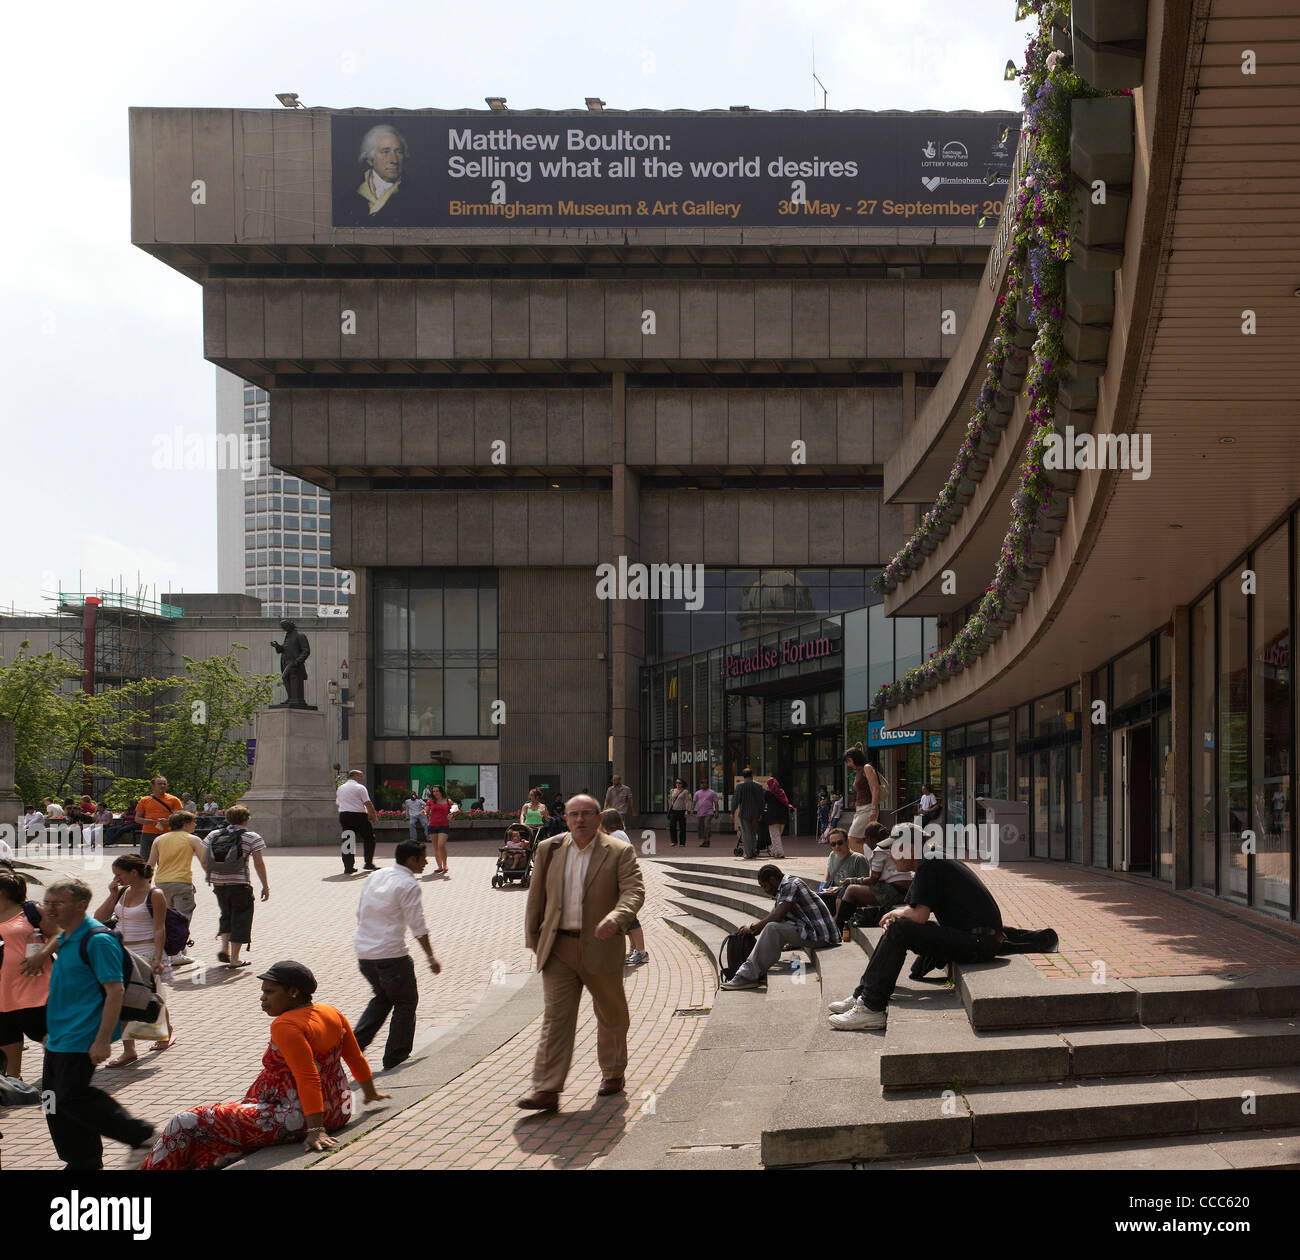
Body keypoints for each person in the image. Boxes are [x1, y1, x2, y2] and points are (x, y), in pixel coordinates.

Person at [140, 961, 389, 1169]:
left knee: (184, 1120)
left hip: (298, 1116)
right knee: (222, 1124)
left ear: (293, 993)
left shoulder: (286, 1025)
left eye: (270, 992)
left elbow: (308, 1077)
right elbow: (355, 1057)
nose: (263, 998)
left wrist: (316, 1129)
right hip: (338, 1109)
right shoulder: (330, 1011)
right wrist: (369, 1092)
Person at [516, 795, 645, 1112]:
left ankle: (613, 1072)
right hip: (559, 948)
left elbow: (634, 889)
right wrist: (534, 938)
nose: (580, 820)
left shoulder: (618, 851)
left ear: (599, 818)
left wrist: (617, 917)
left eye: (587, 814)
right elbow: (537, 897)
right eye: (574, 814)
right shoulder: (550, 848)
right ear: (567, 818)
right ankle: (547, 1089)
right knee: (556, 1018)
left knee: (611, 1014)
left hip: (601, 946)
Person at [828, 825, 1004, 1031]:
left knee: (899, 928)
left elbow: (918, 915)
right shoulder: (931, 860)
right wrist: (899, 914)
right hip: (977, 939)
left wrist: (896, 913)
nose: (891, 856)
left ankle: (871, 1008)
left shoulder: (930, 863)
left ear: (910, 848)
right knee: (898, 926)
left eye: (894, 849)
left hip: (979, 942)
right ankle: (862, 994)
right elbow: (915, 910)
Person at [36, 876, 155, 1170]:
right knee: (53, 1101)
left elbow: (116, 991)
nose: (49, 909)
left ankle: (142, 1136)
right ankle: (83, 1160)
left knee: (72, 1096)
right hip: (59, 1035)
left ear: (80, 905)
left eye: (57, 903)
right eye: (47, 903)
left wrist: (102, 1040)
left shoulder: (98, 941)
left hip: (83, 1035)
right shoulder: (67, 937)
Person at [353, 839, 442, 1071]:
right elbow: (418, 925)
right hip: (391, 955)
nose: (426, 862)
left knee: (382, 999)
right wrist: (431, 957)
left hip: (365, 953)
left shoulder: (376, 876)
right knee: (405, 1002)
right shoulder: (408, 884)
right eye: (423, 858)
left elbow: (360, 911)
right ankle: (395, 1057)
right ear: (411, 860)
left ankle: (353, 1048)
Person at [94, 856, 175, 1063]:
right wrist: (112, 894)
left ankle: (166, 1030)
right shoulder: (121, 891)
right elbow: (98, 917)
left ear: (133, 872)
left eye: (119, 874)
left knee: (148, 996)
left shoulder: (155, 894)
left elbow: (159, 928)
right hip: (121, 950)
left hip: (146, 950)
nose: (116, 878)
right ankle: (129, 1050)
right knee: (123, 1000)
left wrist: (158, 957)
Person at [719, 864, 838, 989]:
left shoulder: (791, 885)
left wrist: (753, 927)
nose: (764, 890)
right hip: (813, 933)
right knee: (772, 927)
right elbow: (773, 914)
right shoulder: (783, 888)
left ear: (772, 880)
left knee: (773, 928)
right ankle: (753, 968)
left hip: (822, 936)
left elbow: (777, 917)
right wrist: (750, 930)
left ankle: (747, 976)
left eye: (764, 886)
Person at [0, 868, 56, 1080]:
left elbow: (59, 935)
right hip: (4, 990)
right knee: (6, 1035)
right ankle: (14, 1080)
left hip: (37, 987)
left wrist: (41, 955)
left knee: (48, 1035)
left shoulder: (30, 911)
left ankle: (60, 1073)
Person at [203, 804, 269, 968]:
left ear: (227, 819)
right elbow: (258, 863)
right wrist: (265, 886)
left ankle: (224, 948)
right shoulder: (252, 837)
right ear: (247, 819)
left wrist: (212, 875)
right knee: (241, 918)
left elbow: (205, 859)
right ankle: (235, 959)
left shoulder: (214, 834)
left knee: (226, 915)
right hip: (239, 884)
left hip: (219, 883)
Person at [830, 822, 913, 935]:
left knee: (851, 890)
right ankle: (843, 926)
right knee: (854, 891)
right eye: (833, 844)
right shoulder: (891, 846)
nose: (865, 843)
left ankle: (837, 929)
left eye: (865, 839)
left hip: (895, 890)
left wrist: (852, 880)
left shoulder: (880, 850)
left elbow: (873, 879)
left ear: (870, 839)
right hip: (904, 889)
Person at [147, 810, 206, 965]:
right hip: (182, 883)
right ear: (184, 823)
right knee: (182, 919)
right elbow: (204, 861)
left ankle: (166, 951)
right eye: (193, 821)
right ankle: (176, 954)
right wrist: (212, 876)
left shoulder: (159, 839)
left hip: (161, 883)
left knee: (164, 919)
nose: (195, 824)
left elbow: (150, 864)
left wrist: (146, 883)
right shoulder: (193, 839)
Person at [599, 808, 648, 967]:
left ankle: (641, 952)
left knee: (630, 919)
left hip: (624, 883)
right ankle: (635, 949)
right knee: (627, 920)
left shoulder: (616, 835)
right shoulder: (616, 834)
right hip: (622, 882)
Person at [815, 828, 871, 925]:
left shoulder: (859, 859)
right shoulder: (832, 855)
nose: (837, 846)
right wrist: (824, 883)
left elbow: (864, 884)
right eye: (833, 844)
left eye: (840, 843)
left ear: (847, 842)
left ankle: (836, 921)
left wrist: (839, 888)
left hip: (849, 899)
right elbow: (828, 869)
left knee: (843, 890)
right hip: (833, 894)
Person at [337, 769, 378, 874]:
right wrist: (374, 816)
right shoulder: (360, 788)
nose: (362, 778)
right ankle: (368, 863)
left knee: (348, 841)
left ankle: (348, 867)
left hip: (344, 815)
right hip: (358, 816)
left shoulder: (340, 788)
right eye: (360, 776)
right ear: (355, 776)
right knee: (369, 838)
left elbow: (339, 802)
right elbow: (368, 803)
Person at [135, 775, 182, 862]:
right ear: (153, 786)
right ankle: (146, 876)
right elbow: (137, 818)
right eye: (159, 784)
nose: (162, 786)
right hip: (147, 834)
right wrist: (145, 821)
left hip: (166, 835)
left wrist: (168, 821)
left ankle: (164, 876)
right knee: (145, 861)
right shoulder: (144, 800)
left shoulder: (174, 800)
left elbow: (180, 819)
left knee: (165, 862)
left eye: (164, 784)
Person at [844, 746, 885, 843]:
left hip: (868, 808)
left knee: (852, 838)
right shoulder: (858, 771)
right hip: (860, 809)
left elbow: (875, 788)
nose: (848, 764)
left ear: (856, 758)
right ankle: (868, 857)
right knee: (861, 839)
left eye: (849, 760)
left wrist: (873, 809)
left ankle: (870, 858)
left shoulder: (867, 768)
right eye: (847, 761)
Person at [733, 767, 766, 860]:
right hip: (755, 813)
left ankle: (748, 853)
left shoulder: (740, 786)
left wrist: (732, 811)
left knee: (746, 833)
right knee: (753, 832)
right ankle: (753, 851)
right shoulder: (758, 786)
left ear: (743, 776)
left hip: (744, 813)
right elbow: (761, 801)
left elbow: (736, 800)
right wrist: (761, 813)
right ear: (752, 775)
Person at [425, 784, 456, 877]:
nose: (435, 793)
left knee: (441, 845)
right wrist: (424, 813)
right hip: (432, 826)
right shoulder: (430, 801)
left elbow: (455, 809)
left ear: (441, 791)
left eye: (437, 791)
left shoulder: (447, 801)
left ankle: (445, 864)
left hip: (444, 826)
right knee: (436, 848)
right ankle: (439, 866)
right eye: (433, 791)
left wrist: (452, 814)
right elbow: (426, 811)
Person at [762, 777, 790, 859]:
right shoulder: (781, 792)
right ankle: (774, 850)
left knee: (774, 835)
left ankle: (779, 853)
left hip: (772, 817)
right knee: (777, 835)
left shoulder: (768, 793)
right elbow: (786, 802)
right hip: (782, 817)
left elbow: (763, 803)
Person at [692, 780, 719, 847]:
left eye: (704, 784)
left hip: (709, 812)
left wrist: (716, 811)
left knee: (707, 826)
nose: (702, 785)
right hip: (700, 812)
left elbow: (716, 802)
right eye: (701, 784)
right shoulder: (697, 793)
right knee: (700, 826)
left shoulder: (712, 792)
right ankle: (704, 841)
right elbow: (694, 801)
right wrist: (692, 809)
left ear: (707, 784)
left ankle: (707, 840)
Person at [666, 778, 691, 848]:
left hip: (682, 811)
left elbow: (687, 801)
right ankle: (674, 841)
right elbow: (670, 800)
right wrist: (669, 809)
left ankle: (682, 843)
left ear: (682, 784)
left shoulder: (685, 791)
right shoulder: (672, 790)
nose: (678, 784)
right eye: (676, 783)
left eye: (679, 783)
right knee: (672, 826)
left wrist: (686, 810)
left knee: (682, 827)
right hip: (673, 811)